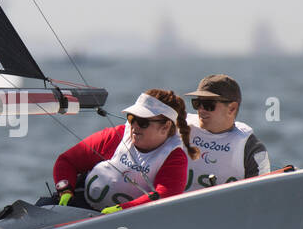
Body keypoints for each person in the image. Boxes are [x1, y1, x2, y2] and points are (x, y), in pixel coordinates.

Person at [47, 89, 199, 212]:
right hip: (79, 203)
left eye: (142, 122)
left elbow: (166, 195)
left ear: (165, 126)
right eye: (132, 118)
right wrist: (65, 190)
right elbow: (66, 161)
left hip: (126, 221)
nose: (134, 126)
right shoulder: (116, 135)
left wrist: (122, 210)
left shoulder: (173, 156)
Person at [184, 74, 270, 190]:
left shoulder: (251, 148)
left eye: (208, 105)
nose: (201, 110)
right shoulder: (176, 128)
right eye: (197, 103)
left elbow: (261, 193)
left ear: (232, 108)